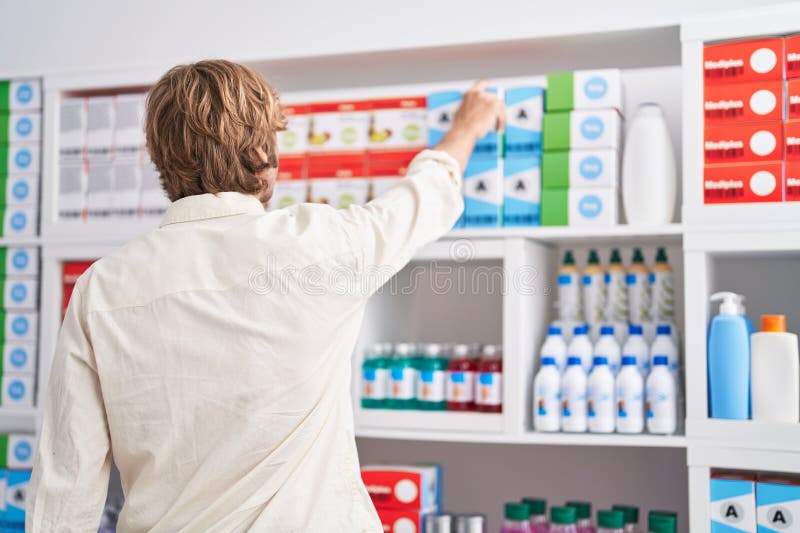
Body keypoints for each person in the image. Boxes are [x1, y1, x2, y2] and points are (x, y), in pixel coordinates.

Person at [27, 60, 505, 532]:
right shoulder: (320, 244)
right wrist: (465, 127)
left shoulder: (103, 288)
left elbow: (65, 485)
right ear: (262, 149)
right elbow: (422, 200)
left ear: (159, 156)